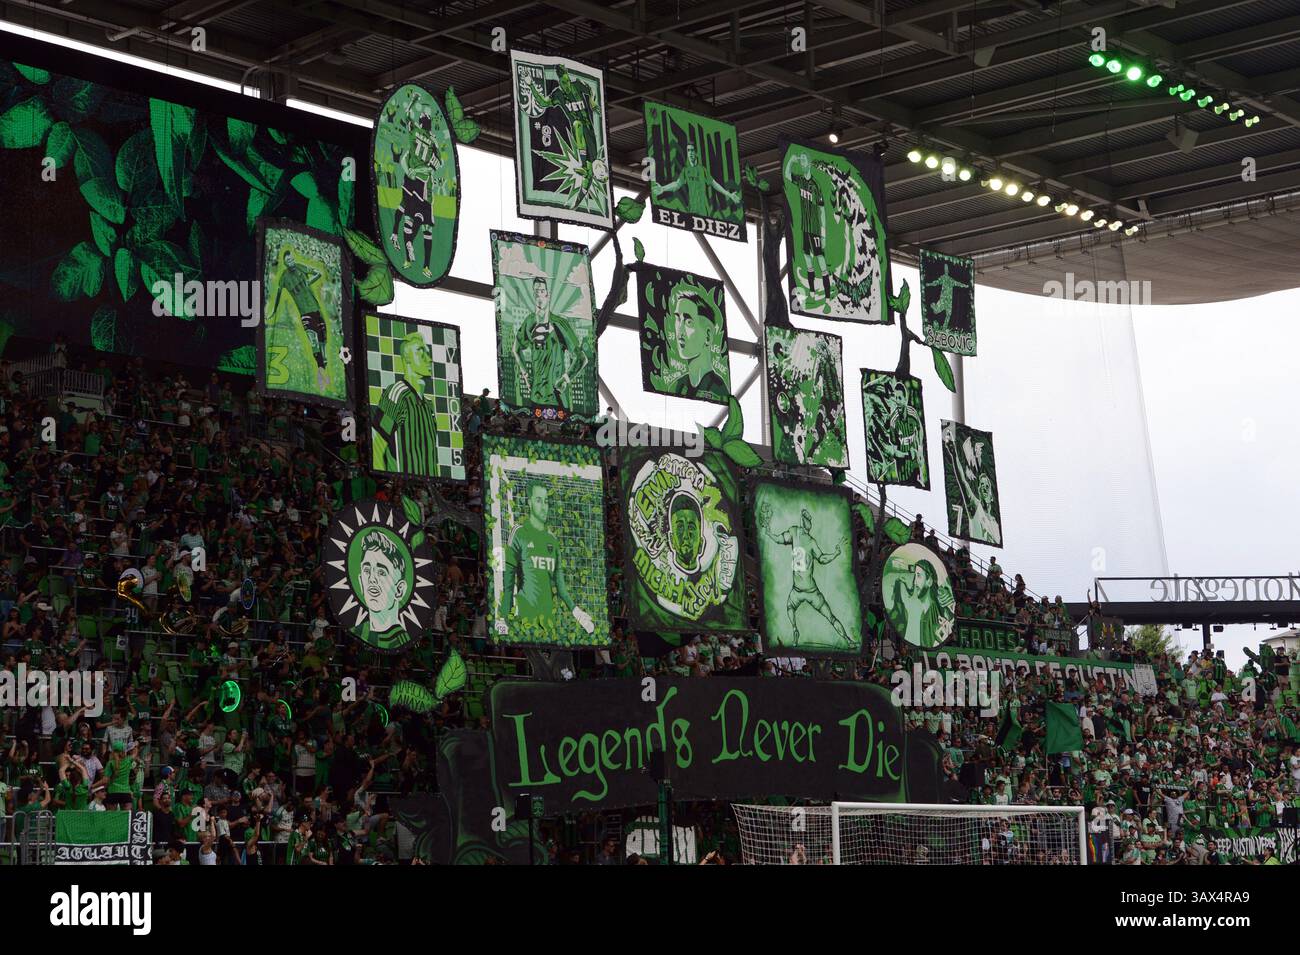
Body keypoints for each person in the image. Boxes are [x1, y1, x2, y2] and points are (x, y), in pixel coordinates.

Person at [496, 482, 595, 638]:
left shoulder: (552, 540)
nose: (544, 506)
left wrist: (577, 612)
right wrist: (503, 619)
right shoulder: (519, 533)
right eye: (538, 500)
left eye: (546, 501)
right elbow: (508, 583)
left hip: (548, 623)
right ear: (529, 502)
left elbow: (561, 588)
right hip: (525, 620)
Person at [758, 504, 852, 648]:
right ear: (805, 522)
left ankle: (847, 639)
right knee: (792, 608)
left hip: (807, 590)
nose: (807, 522)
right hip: (801, 590)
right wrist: (835, 553)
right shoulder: (799, 534)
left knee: (818, 614)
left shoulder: (802, 536)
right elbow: (822, 559)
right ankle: (797, 629)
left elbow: (779, 539)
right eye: (806, 519)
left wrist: (835, 553)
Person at [510, 278, 587, 410]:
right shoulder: (529, 322)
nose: (539, 295)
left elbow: (581, 358)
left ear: (548, 294)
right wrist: (526, 374)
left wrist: (565, 379)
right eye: (536, 292)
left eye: (542, 291)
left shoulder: (560, 324)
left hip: (556, 398)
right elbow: (515, 349)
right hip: (535, 397)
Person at [266, 248, 331, 392]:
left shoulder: (301, 267)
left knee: (323, 341)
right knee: (313, 340)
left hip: (316, 309)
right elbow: (278, 295)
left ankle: (323, 369)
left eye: (291, 259)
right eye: (288, 260)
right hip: (305, 313)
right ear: (284, 262)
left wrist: (309, 280)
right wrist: (273, 311)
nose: (290, 262)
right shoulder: (284, 277)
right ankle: (320, 373)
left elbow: (318, 273)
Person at [652, 141, 739, 213]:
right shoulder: (686, 170)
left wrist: (729, 194)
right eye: (688, 150)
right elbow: (677, 184)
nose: (690, 153)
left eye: (692, 150)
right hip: (692, 208)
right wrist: (663, 188)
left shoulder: (702, 170)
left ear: (696, 152)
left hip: (703, 208)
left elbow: (714, 183)